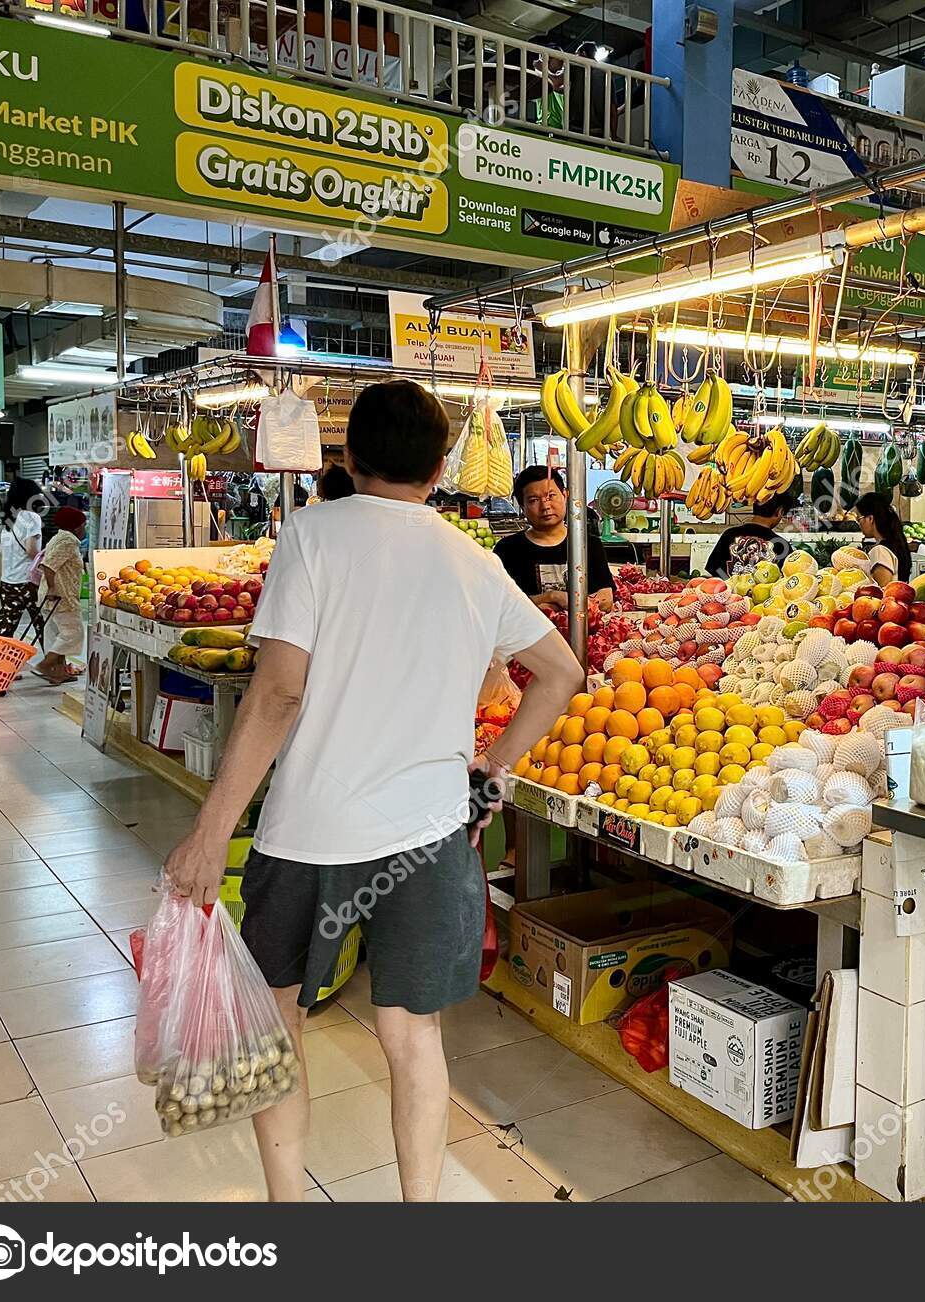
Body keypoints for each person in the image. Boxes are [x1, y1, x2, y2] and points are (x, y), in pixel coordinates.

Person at [163, 380, 584, 1203]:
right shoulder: (472, 559)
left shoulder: (311, 534)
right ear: (440, 470)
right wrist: (491, 768)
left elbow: (278, 694)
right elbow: (561, 673)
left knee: (279, 1020)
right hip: (428, 835)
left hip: (308, 830)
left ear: (348, 456)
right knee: (413, 1035)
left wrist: (210, 831)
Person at [493, 465, 615, 612]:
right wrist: (552, 596)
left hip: (586, 627)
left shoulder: (588, 544)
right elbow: (501, 604)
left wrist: (545, 605)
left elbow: (606, 598)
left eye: (551, 496)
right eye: (533, 500)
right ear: (522, 507)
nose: (545, 506)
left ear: (565, 495)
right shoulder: (507, 549)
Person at [31, 506, 86, 684]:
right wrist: (53, 589)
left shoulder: (58, 538)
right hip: (61, 596)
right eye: (83, 525)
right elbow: (49, 566)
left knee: (54, 634)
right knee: (73, 633)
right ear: (76, 526)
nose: (84, 529)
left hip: (52, 595)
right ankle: (46, 665)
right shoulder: (68, 541)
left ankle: (58, 672)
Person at [703, 489, 795, 578]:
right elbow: (787, 578)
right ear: (779, 511)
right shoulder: (782, 546)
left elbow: (715, 568)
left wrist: (728, 583)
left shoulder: (729, 534)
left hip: (725, 589)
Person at [0, 477, 45, 639]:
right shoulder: (31, 517)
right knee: (43, 626)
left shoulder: (6, 519)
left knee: (5, 629)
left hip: (7, 582)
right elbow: (31, 550)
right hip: (28, 582)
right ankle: (51, 657)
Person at [855, 491, 913, 586]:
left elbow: (881, 590)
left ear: (870, 519)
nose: (859, 524)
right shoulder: (896, 543)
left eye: (859, 519)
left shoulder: (880, 551)